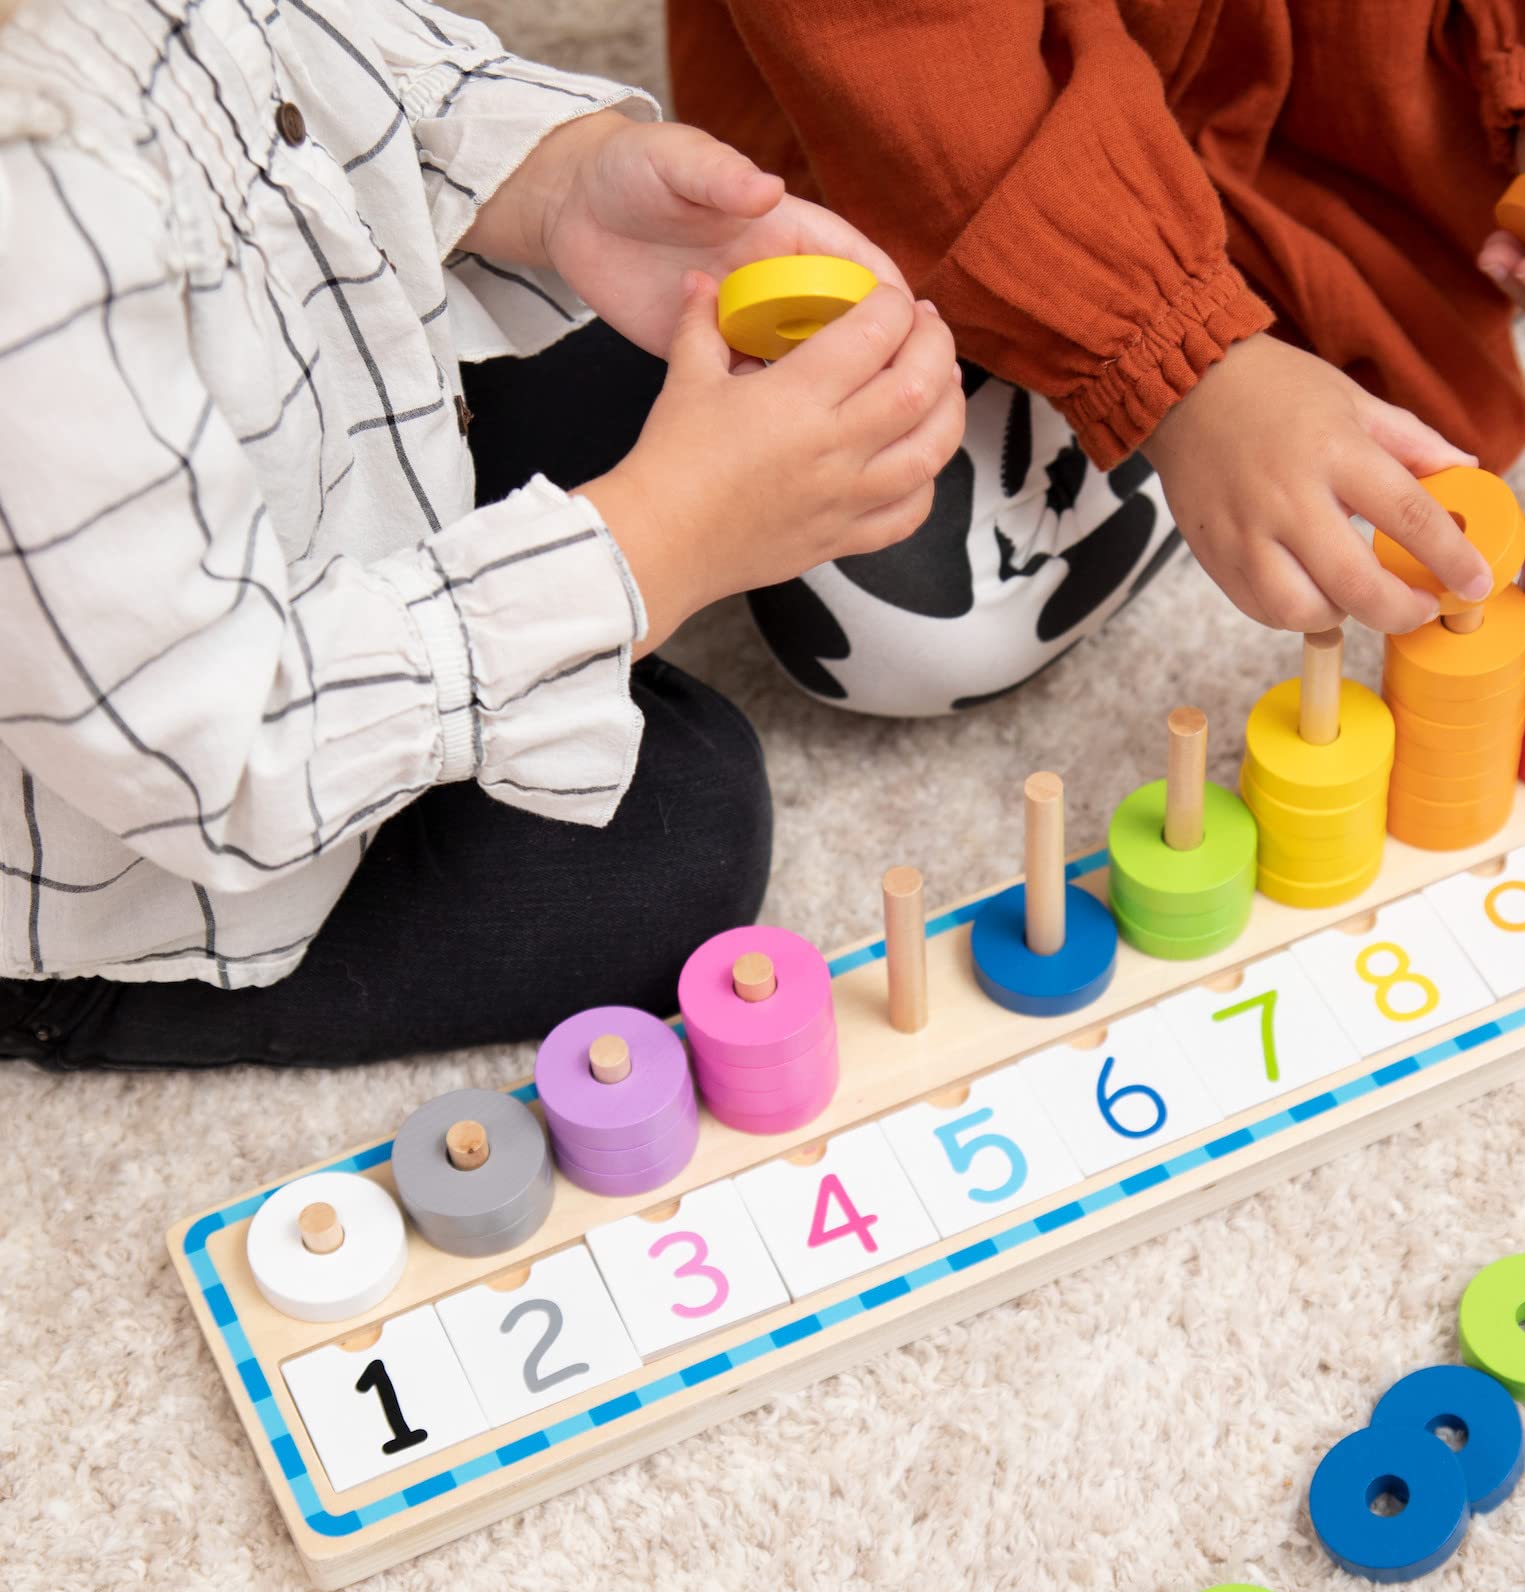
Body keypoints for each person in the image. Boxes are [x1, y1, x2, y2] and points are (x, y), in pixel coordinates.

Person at [0, 0, 964, 1069]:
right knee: (685, 831)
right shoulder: (29, 219)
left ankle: (505, 618)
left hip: (268, 430)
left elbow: (299, 51)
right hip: (156, 798)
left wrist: (559, 185)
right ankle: (62, 998)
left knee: (683, 330)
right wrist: (656, 541)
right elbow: (221, 750)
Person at [666, 0, 1525, 719]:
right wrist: (1178, 366)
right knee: (895, 629)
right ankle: (1223, 402)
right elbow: (909, 65)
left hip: (1406, 59)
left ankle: (1264, 380)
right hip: (992, 173)